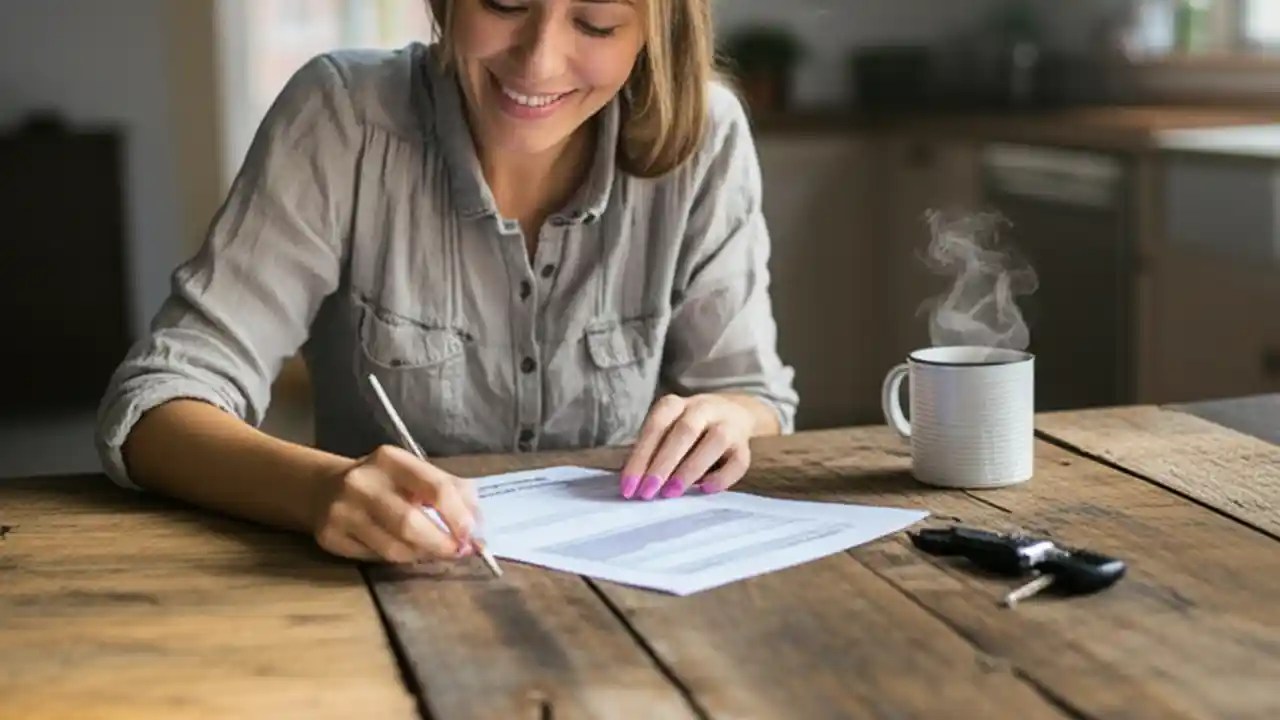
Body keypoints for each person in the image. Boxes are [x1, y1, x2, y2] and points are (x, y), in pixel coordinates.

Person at [95, 0, 798, 565]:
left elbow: (757, 401)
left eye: (595, 23)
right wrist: (320, 490)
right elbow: (154, 408)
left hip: (636, 605)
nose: (539, 61)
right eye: (504, 3)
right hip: (374, 597)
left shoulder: (708, 138)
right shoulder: (342, 116)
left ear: (655, 27)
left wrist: (729, 419)